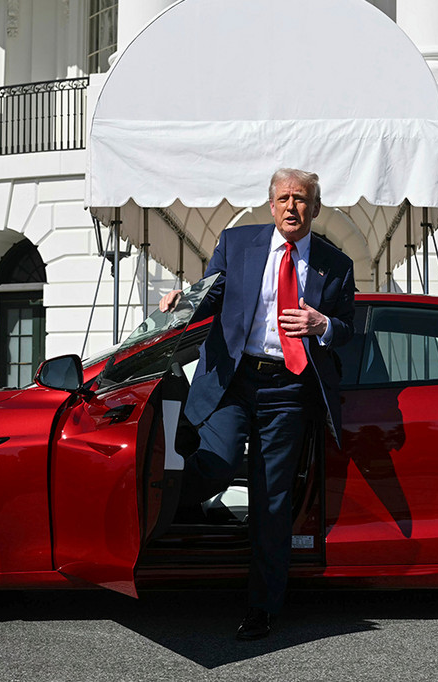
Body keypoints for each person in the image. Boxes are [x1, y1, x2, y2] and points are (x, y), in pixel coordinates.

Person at [159, 168, 355, 640]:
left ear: (315, 207)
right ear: (271, 205)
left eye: (302, 199)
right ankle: (163, 516)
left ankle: (262, 607)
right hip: (235, 378)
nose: (292, 206)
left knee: (272, 499)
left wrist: (323, 324)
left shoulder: (336, 263)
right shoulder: (237, 242)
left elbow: (350, 331)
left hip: (289, 387)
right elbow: (211, 297)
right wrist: (182, 299)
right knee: (218, 462)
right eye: (284, 198)